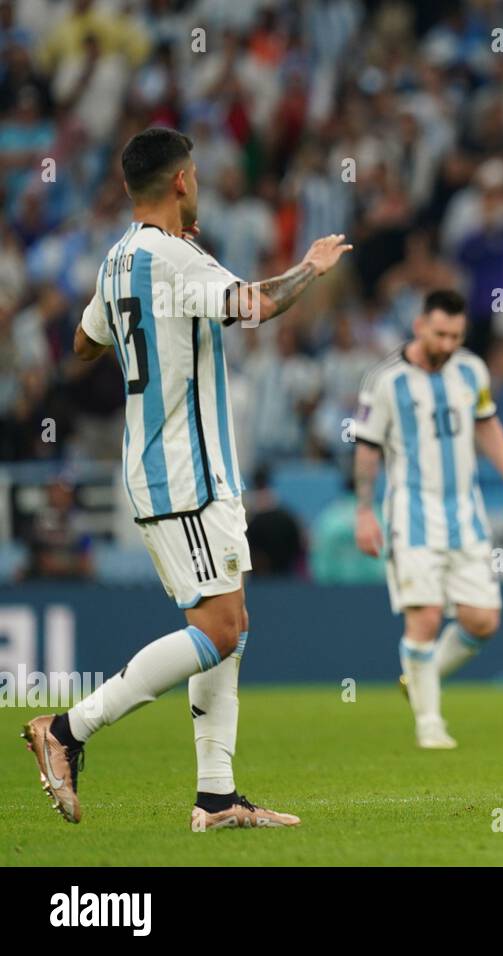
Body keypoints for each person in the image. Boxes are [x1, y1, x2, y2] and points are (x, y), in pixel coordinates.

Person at [22, 126, 351, 828]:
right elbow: (257, 305)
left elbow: (83, 344)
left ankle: (216, 795)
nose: (197, 179)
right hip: (183, 472)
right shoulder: (174, 258)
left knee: (229, 623)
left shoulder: (118, 262)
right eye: (194, 172)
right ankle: (67, 729)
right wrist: (313, 267)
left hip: (171, 467)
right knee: (221, 627)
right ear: (180, 182)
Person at [353, 289, 503, 749]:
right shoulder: (385, 380)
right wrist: (364, 511)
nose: (449, 343)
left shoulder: (471, 370)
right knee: (426, 617)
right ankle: (430, 723)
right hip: (411, 515)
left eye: (456, 335)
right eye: (440, 333)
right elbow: (368, 449)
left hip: (465, 515)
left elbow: (486, 423)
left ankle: (420, 677)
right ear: (419, 326)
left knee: (482, 621)